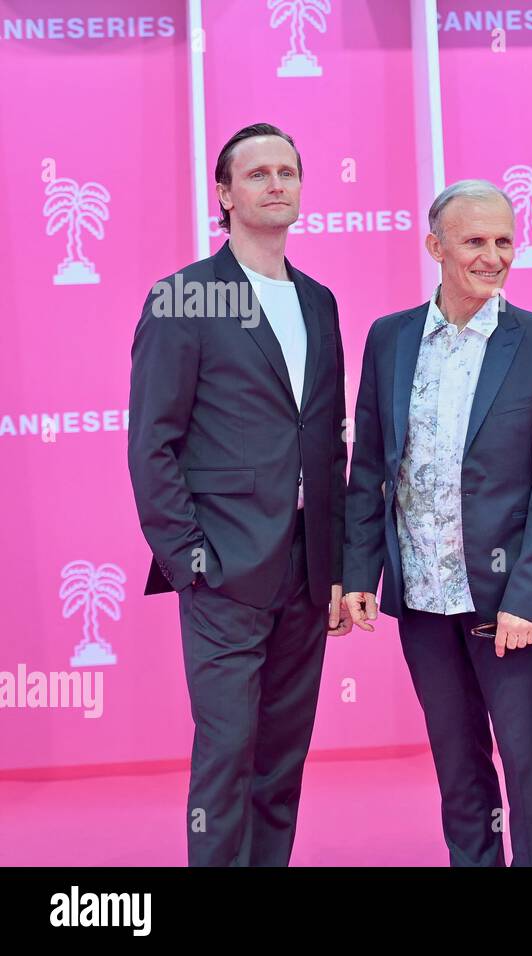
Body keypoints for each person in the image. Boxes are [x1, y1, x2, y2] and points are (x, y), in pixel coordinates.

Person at [127, 123, 350, 867]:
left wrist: (339, 561)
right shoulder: (183, 299)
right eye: (257, 174)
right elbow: (151, 443)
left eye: (287, 170)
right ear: (223, 194)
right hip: (222, 568)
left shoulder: (319, 302)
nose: (276, 184)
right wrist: (189, 556)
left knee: (282, 760)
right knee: (227, 756)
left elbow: (326, 440)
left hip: (306, 567)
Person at [343, 179, 532, 867]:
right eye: (475, 241)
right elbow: (370, 466)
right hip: (421, 596)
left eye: (504, 241)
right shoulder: (388, 339)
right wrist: (361, 570)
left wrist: (527, 598)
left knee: (527, 766)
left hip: (505, 601)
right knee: (457, 765)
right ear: (435, 247)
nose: (493, 256)